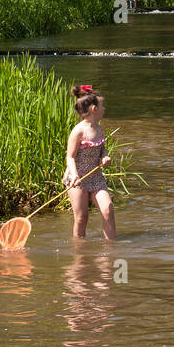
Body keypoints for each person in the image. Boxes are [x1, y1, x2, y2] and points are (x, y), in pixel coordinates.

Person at [64, 85, 115, 240]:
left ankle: (111, 248)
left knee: (108, 209)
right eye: (102, 106)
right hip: (77, 178)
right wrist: (74, 175)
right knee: (81, 218)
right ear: (94, 108)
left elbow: (102, 149)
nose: (104, 109)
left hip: (96, 176)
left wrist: (104, 157)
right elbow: (70, 157)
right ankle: (80, 256)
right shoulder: (78, 130)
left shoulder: (98, 128)